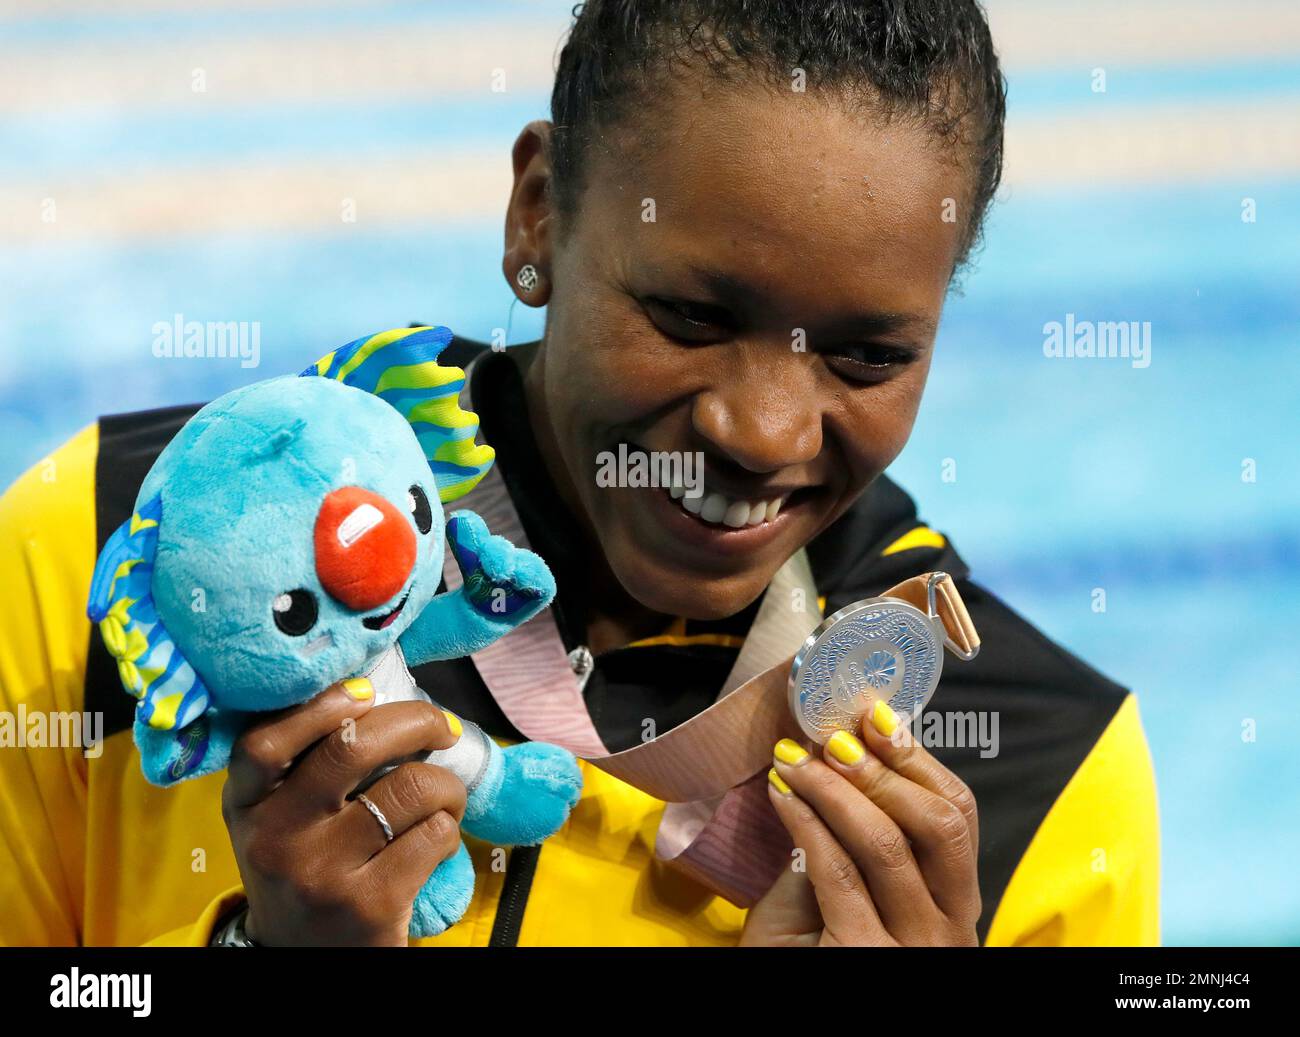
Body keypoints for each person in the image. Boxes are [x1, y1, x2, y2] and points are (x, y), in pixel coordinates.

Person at [0, 0, 1158, 947]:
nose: (762, 430)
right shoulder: (124, 559)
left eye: (867, 354)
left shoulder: (1038, 778)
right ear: (538, 214)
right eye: (689, 314)